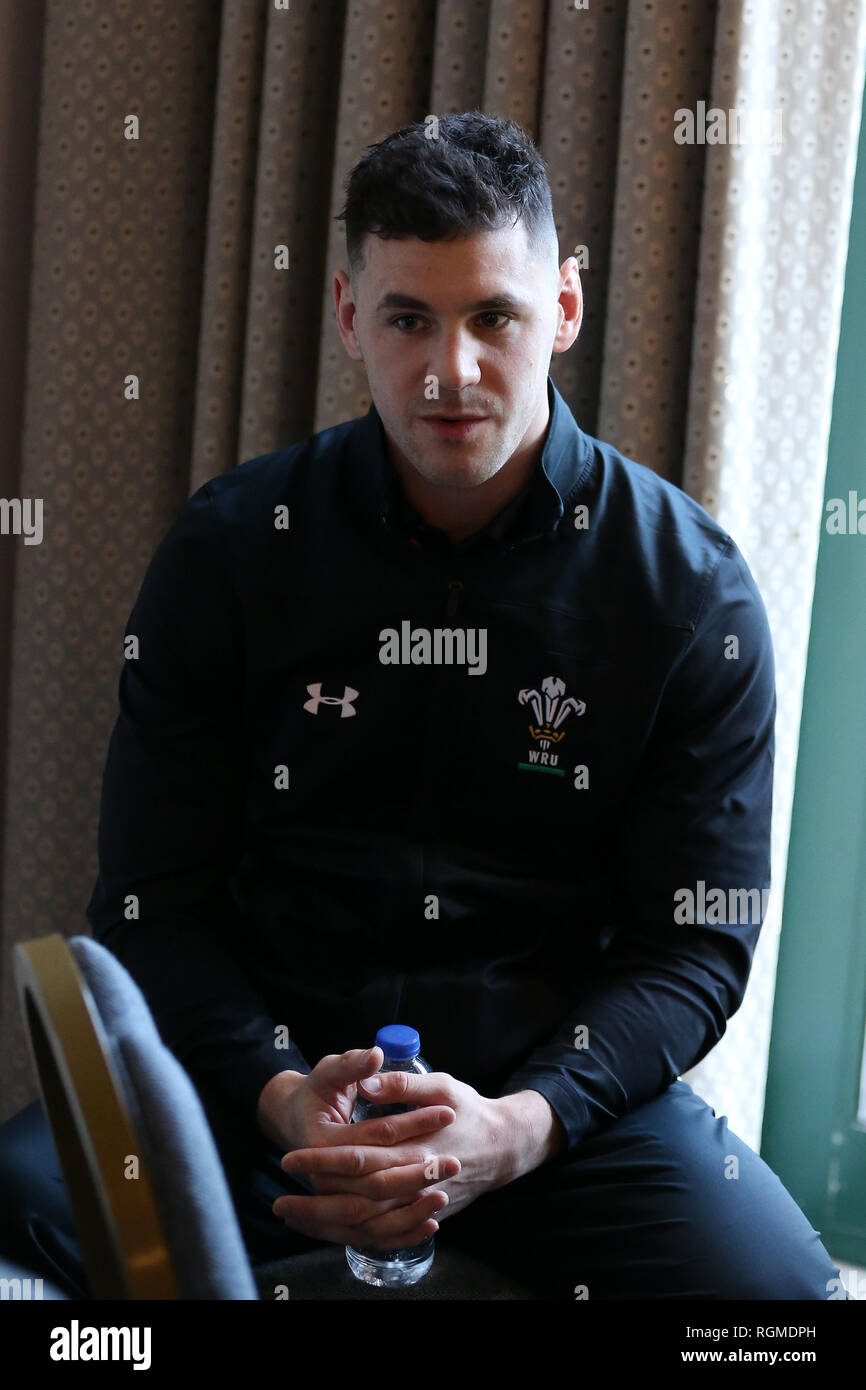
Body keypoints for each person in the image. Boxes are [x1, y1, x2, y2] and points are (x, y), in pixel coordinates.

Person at [0, 111, 849, 1300]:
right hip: (255, 1080)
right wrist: (283, 1089)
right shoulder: (230, 550)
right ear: (350, 316)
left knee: (780, 1309)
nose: (452, 368)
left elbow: (692, 945)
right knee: (18, 1210)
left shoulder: (684, 588)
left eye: (492, 316)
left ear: (561, 308)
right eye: (409, 318)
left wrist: (523, 1122)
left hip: (549, 1101)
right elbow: (148, 905)